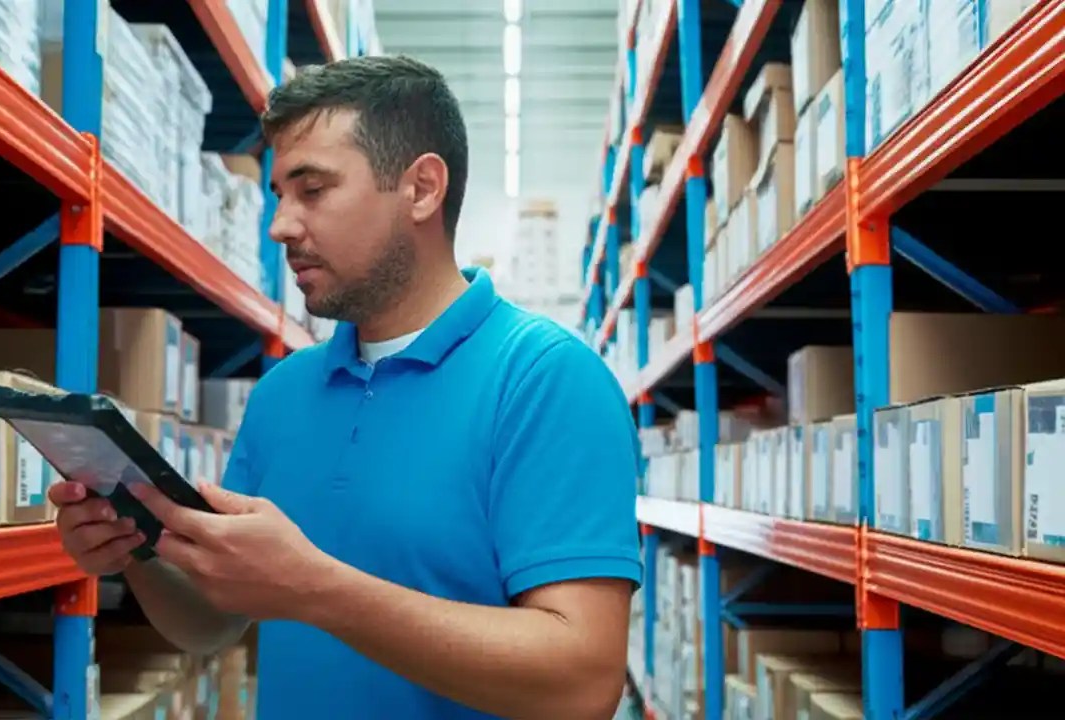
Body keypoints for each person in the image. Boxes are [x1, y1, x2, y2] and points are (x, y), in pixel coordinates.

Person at [49, 55, 642, 720]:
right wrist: (134, 553)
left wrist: (315, 588)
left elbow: (583, 684)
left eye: (313, 190)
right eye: (278, 195)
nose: (279, 226)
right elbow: (215, 623)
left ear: (421, 188)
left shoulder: (545, 379)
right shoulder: (283, 394)